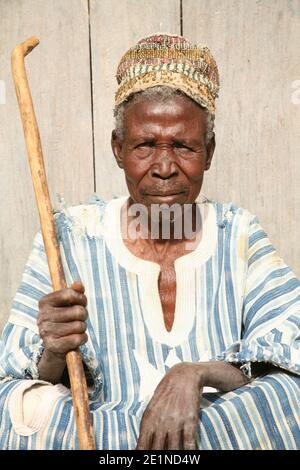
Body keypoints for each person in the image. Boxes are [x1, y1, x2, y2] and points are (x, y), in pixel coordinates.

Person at [0, 33, 299, 450]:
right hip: (101, 436)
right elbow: (17, 373)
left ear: (208, 152)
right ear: (118, 148)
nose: (163, 168)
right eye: (144, 145)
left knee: (292, 394)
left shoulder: (237, 234)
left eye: (183, 146)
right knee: (18, 403)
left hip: (208, 431)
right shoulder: (69, 236)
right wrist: (52, 350)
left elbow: (287, 355)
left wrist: (194, 374)